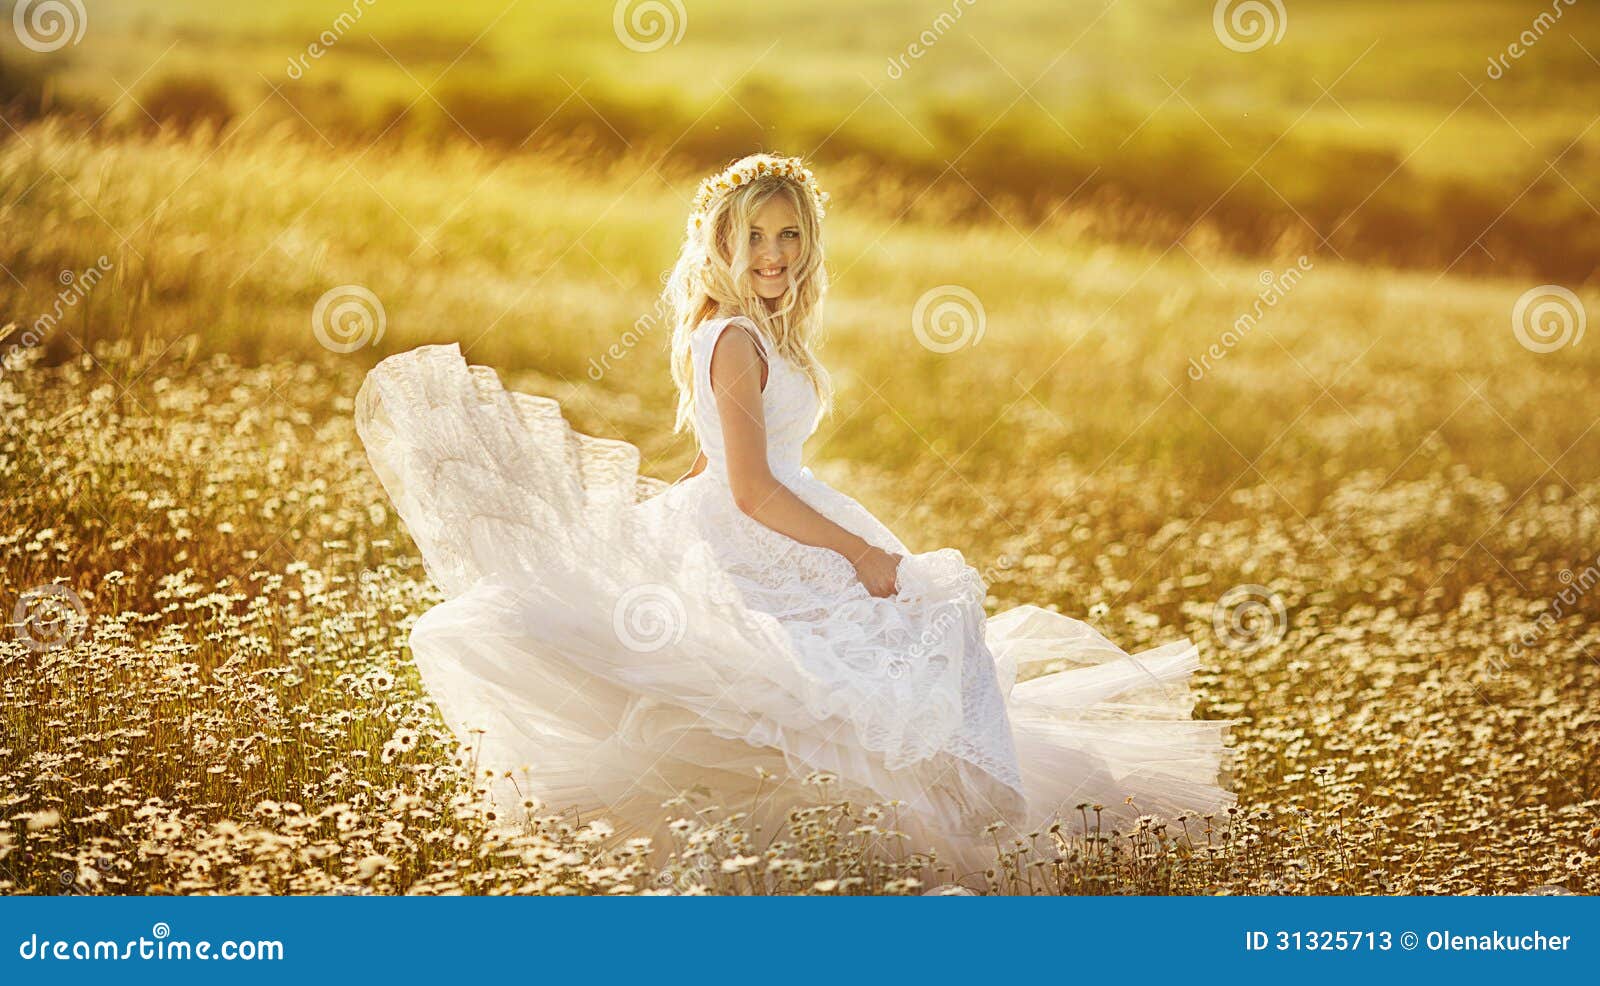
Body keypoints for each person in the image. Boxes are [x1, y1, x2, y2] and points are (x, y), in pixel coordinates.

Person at [354, 152, 1233, 886]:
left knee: (872, 675)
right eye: (755, 236)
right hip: (766, 524)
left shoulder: (761, 331)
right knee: (861, 667)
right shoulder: (734, 338)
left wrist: (673, 517)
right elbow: (748, 490)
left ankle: (847, 862)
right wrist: (858, 554)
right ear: (722, 242)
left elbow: (713, 461)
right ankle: (841, 863)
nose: (773, 253)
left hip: (772, 512)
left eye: (789, 235)